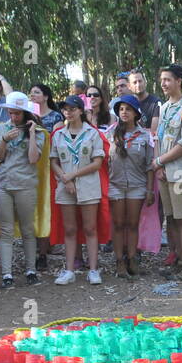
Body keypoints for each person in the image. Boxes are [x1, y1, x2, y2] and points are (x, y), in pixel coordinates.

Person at [0, 90, 45, 287]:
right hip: (3, 184)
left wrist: (30, 133)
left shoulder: (37, 133)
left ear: (26, 114)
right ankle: (7, 274)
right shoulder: (0, 129)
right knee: (5, 230)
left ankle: (31, 270)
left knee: (27, 228)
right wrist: (4, 140)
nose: (14, 117)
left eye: (18, 113)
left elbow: (33, 159)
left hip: (25, 185)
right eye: (11, 113)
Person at [49, 94, 106, 285]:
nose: (68, 112)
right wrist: (64, 178)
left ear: (81, 110)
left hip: (88, 185)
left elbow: (97, 162)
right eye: (65, 109)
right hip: (65, 187)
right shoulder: (58, 134)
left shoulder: (92, 133)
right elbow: (53, 161)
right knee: (70, 229)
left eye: (72, 109)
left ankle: (93, 269)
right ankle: (69, 270)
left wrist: (71, 175)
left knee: (90, 228)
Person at [150, 63, 182, 279]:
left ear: (179, 81)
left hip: (180, 171)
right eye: (162, 80)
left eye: (168, 79)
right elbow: (158, 138)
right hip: (164, 171)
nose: (164, 84)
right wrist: (158, 164)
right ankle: (176, 259)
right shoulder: (164, 108)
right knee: (170, 218)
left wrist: (159, 160)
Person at [105, 93, 154, 278]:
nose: (124, 112)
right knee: (118, 224)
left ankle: (132, 259)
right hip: (115, 184)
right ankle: (119, 261)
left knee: (133, 224)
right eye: (121, 109)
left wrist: (150, 190)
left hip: (137, 185)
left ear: (136, 113)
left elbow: (149, 165)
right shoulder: (110, 133)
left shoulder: (144, 135)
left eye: (128, 109)